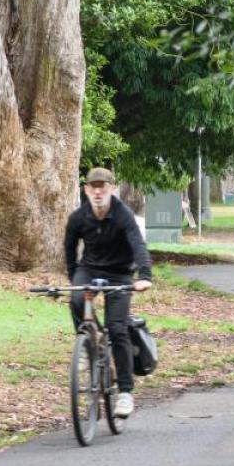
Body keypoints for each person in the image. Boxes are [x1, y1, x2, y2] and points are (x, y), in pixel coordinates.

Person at [64, 167, 152, 418]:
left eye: (103, 186)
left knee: (117, 327)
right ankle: (87, 345)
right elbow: (69, 249)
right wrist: (74, 279)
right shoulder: (79, 217)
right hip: (89, 269)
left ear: (112, 189)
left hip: (120, 274)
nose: (98, 191)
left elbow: (138, 246)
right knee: (77, 299)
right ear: (86, 190)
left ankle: (125, 392)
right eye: (94, 186)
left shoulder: (123, 215)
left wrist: (144, 277)